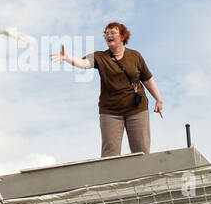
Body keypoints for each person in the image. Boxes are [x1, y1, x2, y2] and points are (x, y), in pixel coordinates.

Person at [52, 22, 163, 157]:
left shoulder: (135, 56)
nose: (108, 35)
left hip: (136, 109)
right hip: (111, 112)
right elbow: (83, 64)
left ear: (122, 36)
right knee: (110, 154)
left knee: (141, 152)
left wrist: (159, 100)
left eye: (112, 32)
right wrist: (67, 57)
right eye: (106, 33)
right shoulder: (100, 56)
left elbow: (147, 79)